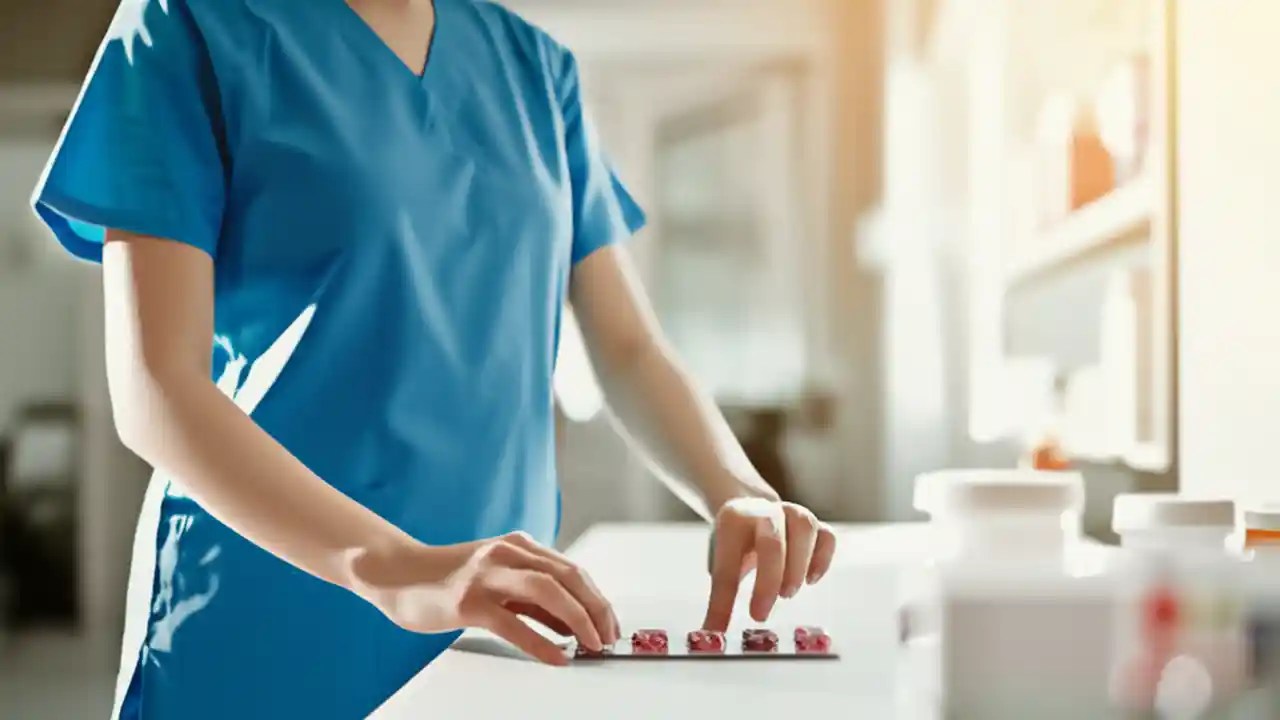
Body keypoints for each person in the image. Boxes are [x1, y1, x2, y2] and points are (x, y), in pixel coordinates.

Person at [32, 0, 837, 717]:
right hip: (271, 615)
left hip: (495, 619)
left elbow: (627, 347)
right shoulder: (190, 25)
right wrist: (405, 569)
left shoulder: (533, 68)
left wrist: (737, 490)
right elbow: (156, 388)